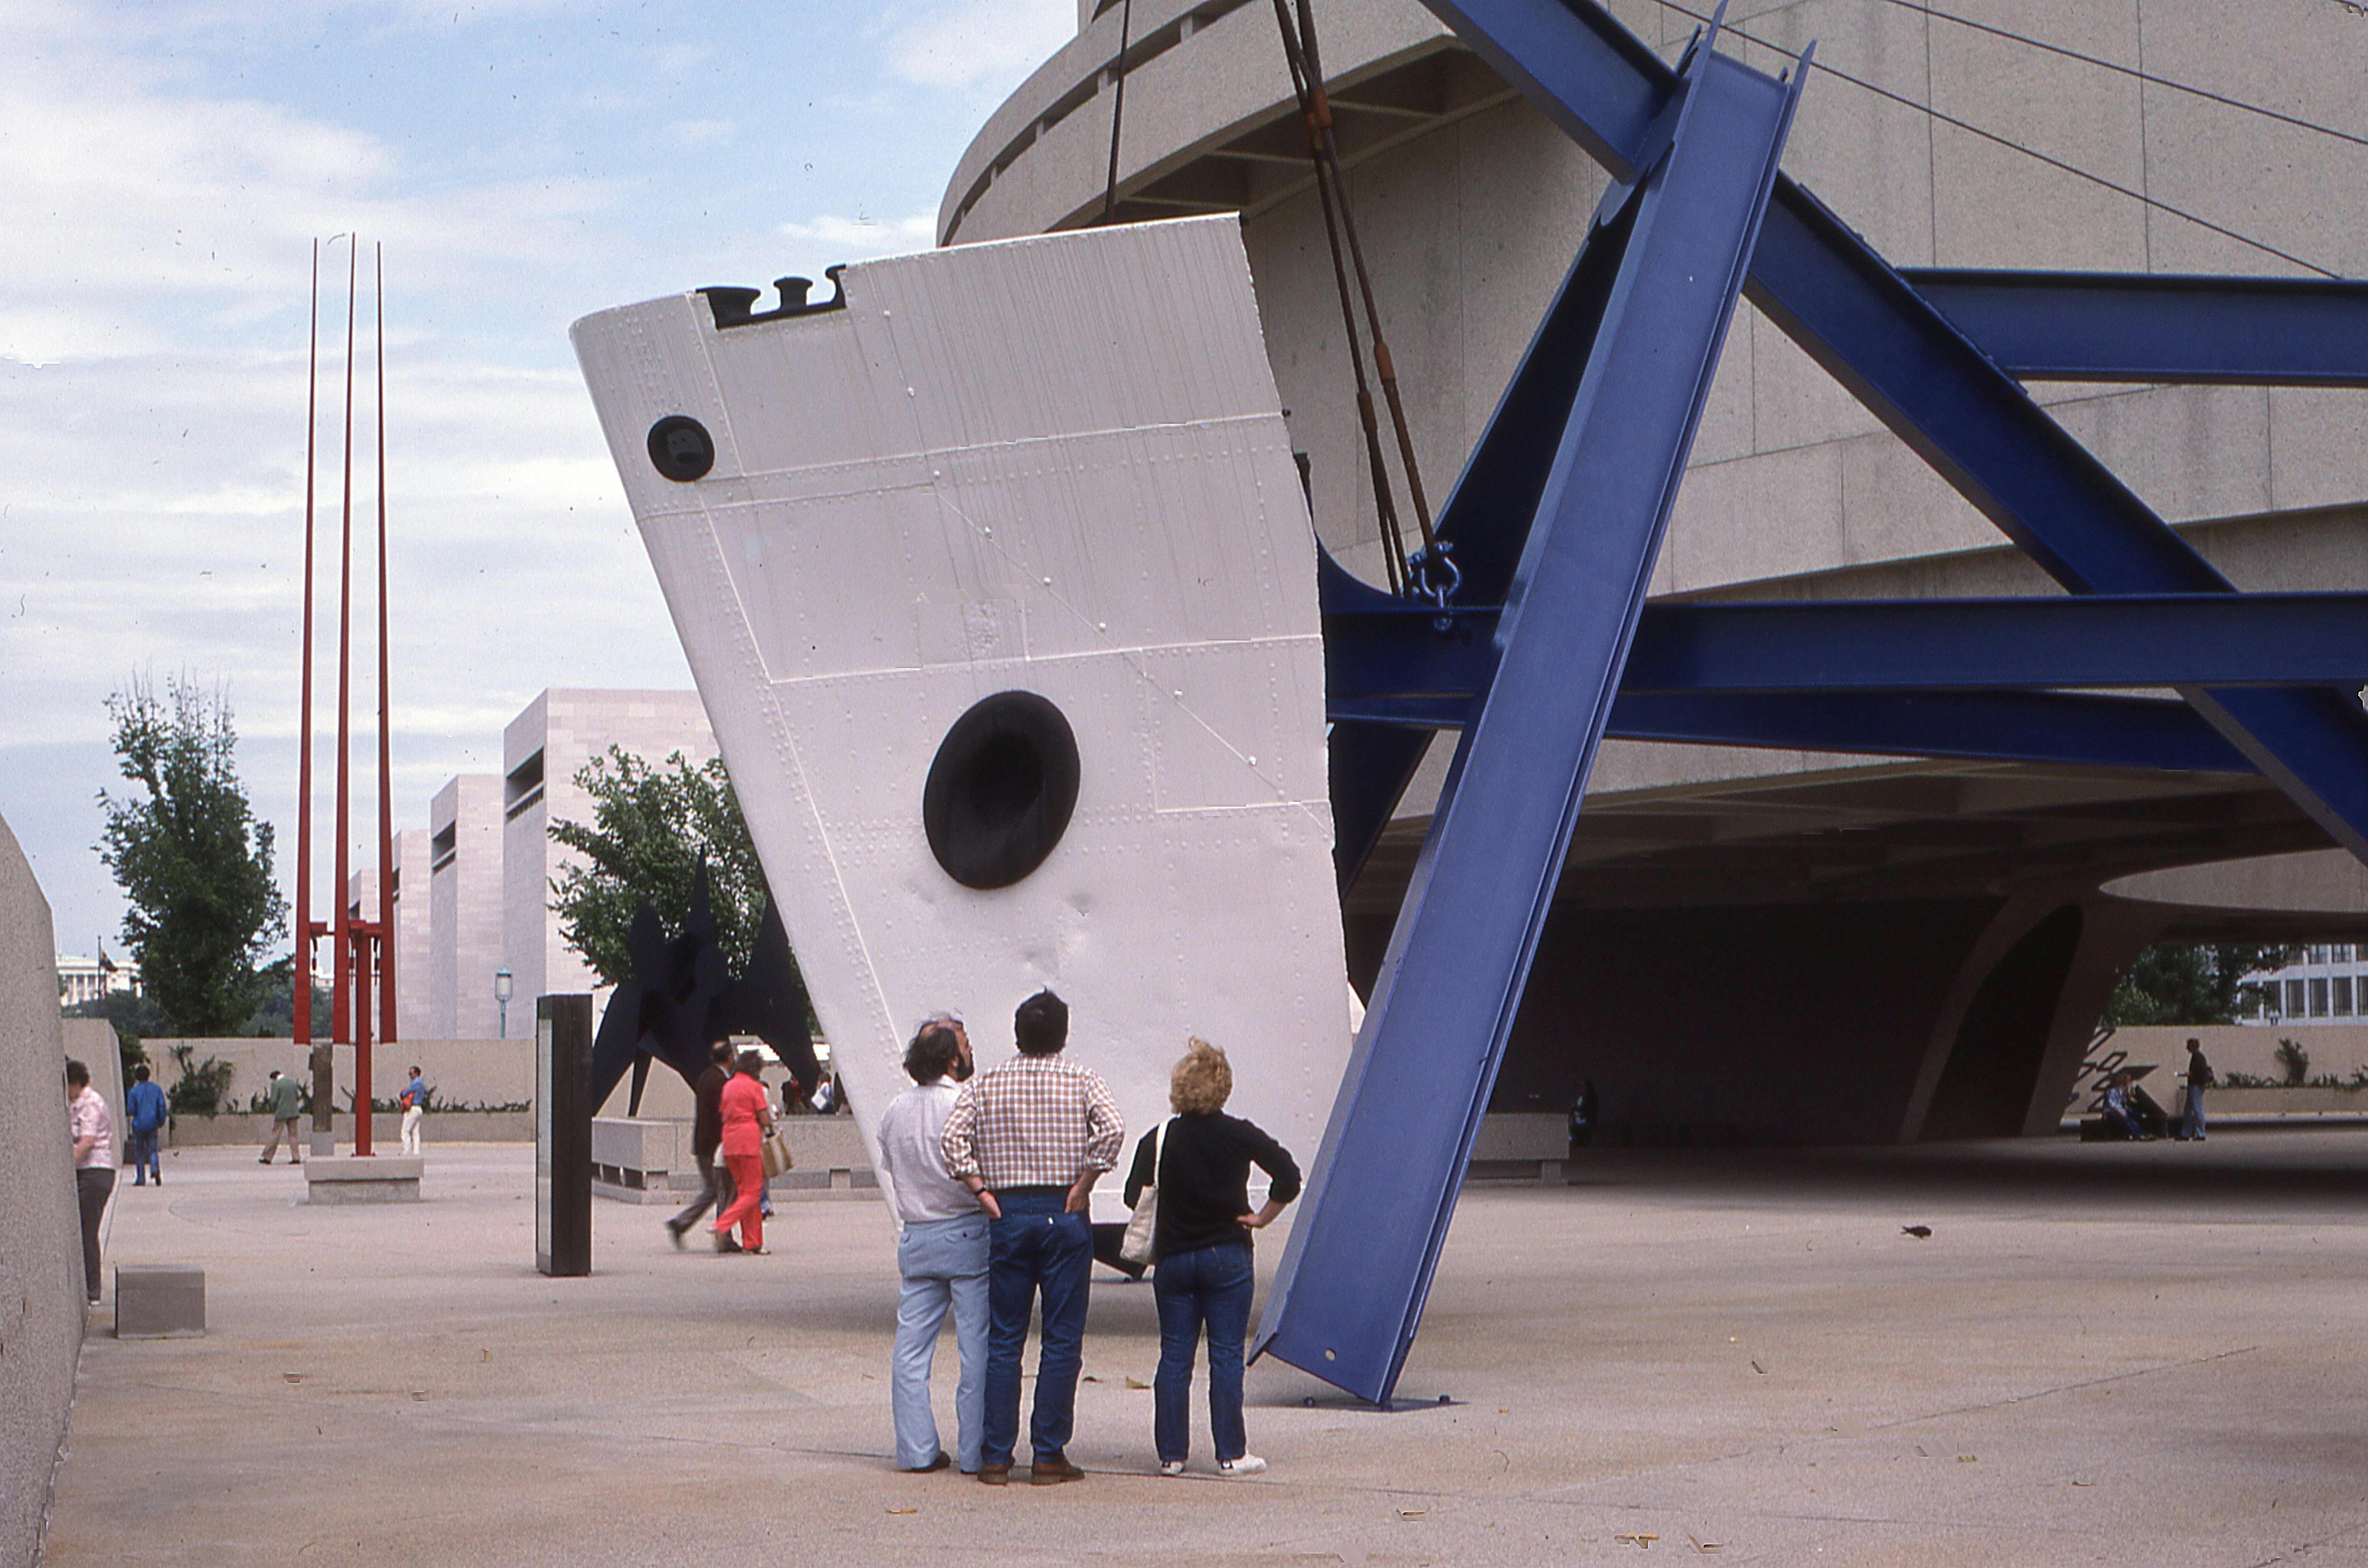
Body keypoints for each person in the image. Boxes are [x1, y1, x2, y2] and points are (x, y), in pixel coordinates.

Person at [941, 989, 1123, 1487]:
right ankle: (1048, 1452)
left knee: (1005, 1338)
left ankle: (996, 1453)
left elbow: (951, 1138)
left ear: (1017, 1034)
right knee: (1061, 1338)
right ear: (1062, 1035)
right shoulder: (1082, 1079)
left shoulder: (987, 1084)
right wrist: (1086, 1182)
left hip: (1008, 1211)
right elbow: (1112, 1128)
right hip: (1063, 1210)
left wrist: (980, 1189)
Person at [1123, 1038, 1300, 1479]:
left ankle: (1171, 1454)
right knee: (1224, 1355)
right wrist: (1260, 1217)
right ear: (1222, 1088)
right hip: (1227, 1253)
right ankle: (1230, 1453)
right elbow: (1288, 1176)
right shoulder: (1238, 1134)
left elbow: (1132, 1197)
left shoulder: (1159, 1138)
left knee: (1175, 1356)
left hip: (1175, 1258)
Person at [876, 1020, 989, 1475]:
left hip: (917, 1232)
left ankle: (916, 1449)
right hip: (966, 1230)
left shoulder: (894, 1110)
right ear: (952, 1059)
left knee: (910, 1351)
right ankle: (978, 1451)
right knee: (975, 1348)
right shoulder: (965, 1104)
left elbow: (890, 1164)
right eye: (965, 1044)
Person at [667, 1040, 737, 1247]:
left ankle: (684, 1224)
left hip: (703, 1144)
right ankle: (722, 1236)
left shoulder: (706, 1077)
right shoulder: (720, 1082)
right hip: (714, 1146)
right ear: (729, 1058)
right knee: (722, 1189)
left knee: (716, 1189)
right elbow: (720, 1116)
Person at [711, 1049, 775, 1254]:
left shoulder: (728, 1087)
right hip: (748, 1141)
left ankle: (752, 1242)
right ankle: (722, 1225)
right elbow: (764, 1118)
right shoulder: (754, 1087)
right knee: (753, 1191)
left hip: (730, 1142)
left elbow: (722, 1115)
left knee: (745, 1192)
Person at [66, 1060, 115, 1304]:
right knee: (86, 1229)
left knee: (88, 1230)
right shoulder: (79, 1103)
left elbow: (87, 1141)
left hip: (94, 1172)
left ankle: (93, 1291)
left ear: (75, 1083)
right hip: (91, 1173)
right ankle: (90, 1288)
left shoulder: (90, 1103)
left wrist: (66, 1167)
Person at [125, 1062, 168, 1186]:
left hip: (139, 1125)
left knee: (139, 1151)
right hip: (153, 1123)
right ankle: (155, 1168)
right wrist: (161, 1121)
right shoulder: (157, 1089)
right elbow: (162, 1107)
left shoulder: (134, 1092)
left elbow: (132, 1110)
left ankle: (141, 1178)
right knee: (153, 1149)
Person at [259, 1069, 304, 1163]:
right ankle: (296, 1158)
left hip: (282, 1113)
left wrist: (273, 1108)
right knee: (293, 1135)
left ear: (274, 1078)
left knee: (275, 1134)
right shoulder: (292, 1083)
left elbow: (274, 1100)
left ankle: (268, 1157)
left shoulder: (276, 1084)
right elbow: (297, 1096)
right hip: (294, 1112)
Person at [2099, 1069, 2150, 1140]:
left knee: (2135, 1117)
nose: (2131, 1083)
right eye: (2130, 1081)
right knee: (2126, 1120)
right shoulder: (2113, 1091)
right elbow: (2111, 1105)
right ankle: (2137, 1135)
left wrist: (2130, 1098)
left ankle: (2144, 1133)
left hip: (2120, 1109)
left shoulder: (2124, 1091)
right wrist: (2120, 1111)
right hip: (2111, 1111)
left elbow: (2124, 1103)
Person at [2181, 1038, 2215, 1142]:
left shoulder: (2198, 1057)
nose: (2187, 1048)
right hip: (2195, 1085)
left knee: (2196, 1109)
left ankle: (2200, 1133)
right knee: (2189, 1109)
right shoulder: (2198, 1057)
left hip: (2196, 1085)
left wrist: (2190, 1075)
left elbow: (2199, 1073)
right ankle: (2186, 1133)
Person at [400, 1065, 429, 1155]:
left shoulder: (415, 1083)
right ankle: (417, 1152)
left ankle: (407, 1151)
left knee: (405, 1131)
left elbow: (405, 1093)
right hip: (419, 1109)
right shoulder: (421, 1083)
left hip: (413, 1109)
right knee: (415, 1132)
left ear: (416, 1073)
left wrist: (403, 1092)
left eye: (411, 1073)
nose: (410, 1076)